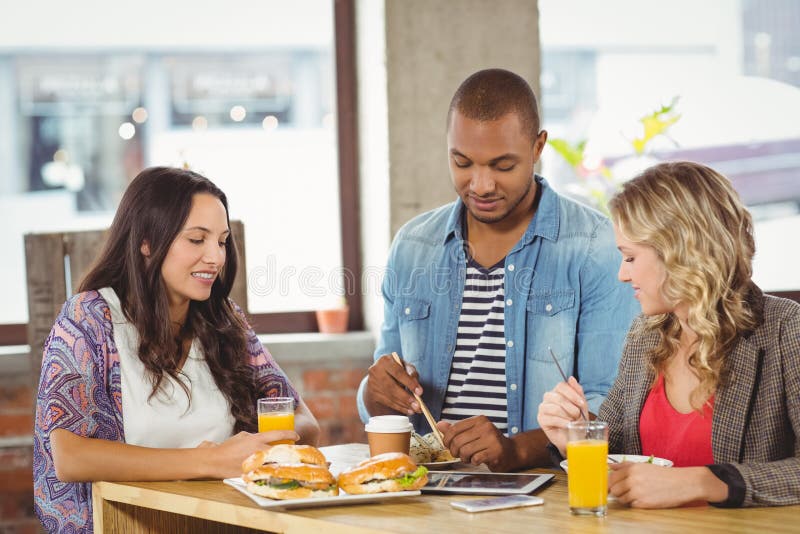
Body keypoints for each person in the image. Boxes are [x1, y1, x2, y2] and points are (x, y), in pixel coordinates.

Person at [357, 68, 638, 472]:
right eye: (462, 162)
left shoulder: (595, 247)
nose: (481, 184)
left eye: (503, 165)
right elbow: (380, 403)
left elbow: (613, 409)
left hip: (544, 499)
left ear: (538, 146)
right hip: (424, 489)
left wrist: (516, 451)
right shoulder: (414, 246)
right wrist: (376, 393)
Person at [33, 167, 320, 532]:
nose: (215, 257)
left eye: (221, 240)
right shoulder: (90, 319)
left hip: (223, 523)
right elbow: (71, 457)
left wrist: (261, 451)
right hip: (127, 524)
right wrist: (211, 461)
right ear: (147, 242)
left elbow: (305, 423)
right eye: (197, 240)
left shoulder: (224, 320)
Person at [537, 161, 800, 508]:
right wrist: (573, 438)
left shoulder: (785, 329)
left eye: (630, 257)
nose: (621, 274)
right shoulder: (645, 334)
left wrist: (709, 481)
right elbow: (617, 450)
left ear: (681, 252)